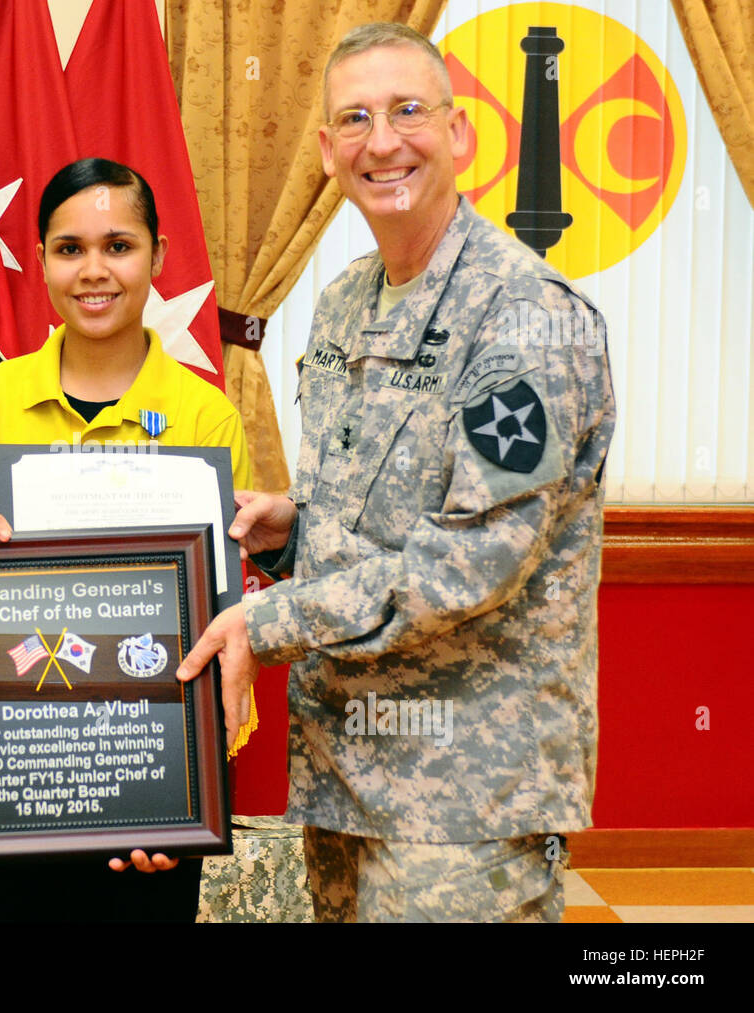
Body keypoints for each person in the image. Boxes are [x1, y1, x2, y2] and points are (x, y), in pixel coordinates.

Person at [176, 22, 616, 922]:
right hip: (345, 772)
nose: (383, 140)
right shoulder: (342, 304)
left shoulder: (525, 316)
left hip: (464, 800)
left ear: (458, 134)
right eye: (355, 120)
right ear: (330, 153)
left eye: (407, 110)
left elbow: (471, 563)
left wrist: (269, 618)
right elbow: (385, 515)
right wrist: (295, 530)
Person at [0, 157, 252, 921]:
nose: (94, 270)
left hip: (150, 794)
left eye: (119, 245)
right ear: (38, 261)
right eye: (69, 248)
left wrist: (185, 791)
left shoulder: (207, 420)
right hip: (2, 792)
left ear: (159, 256)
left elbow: (224, 626)